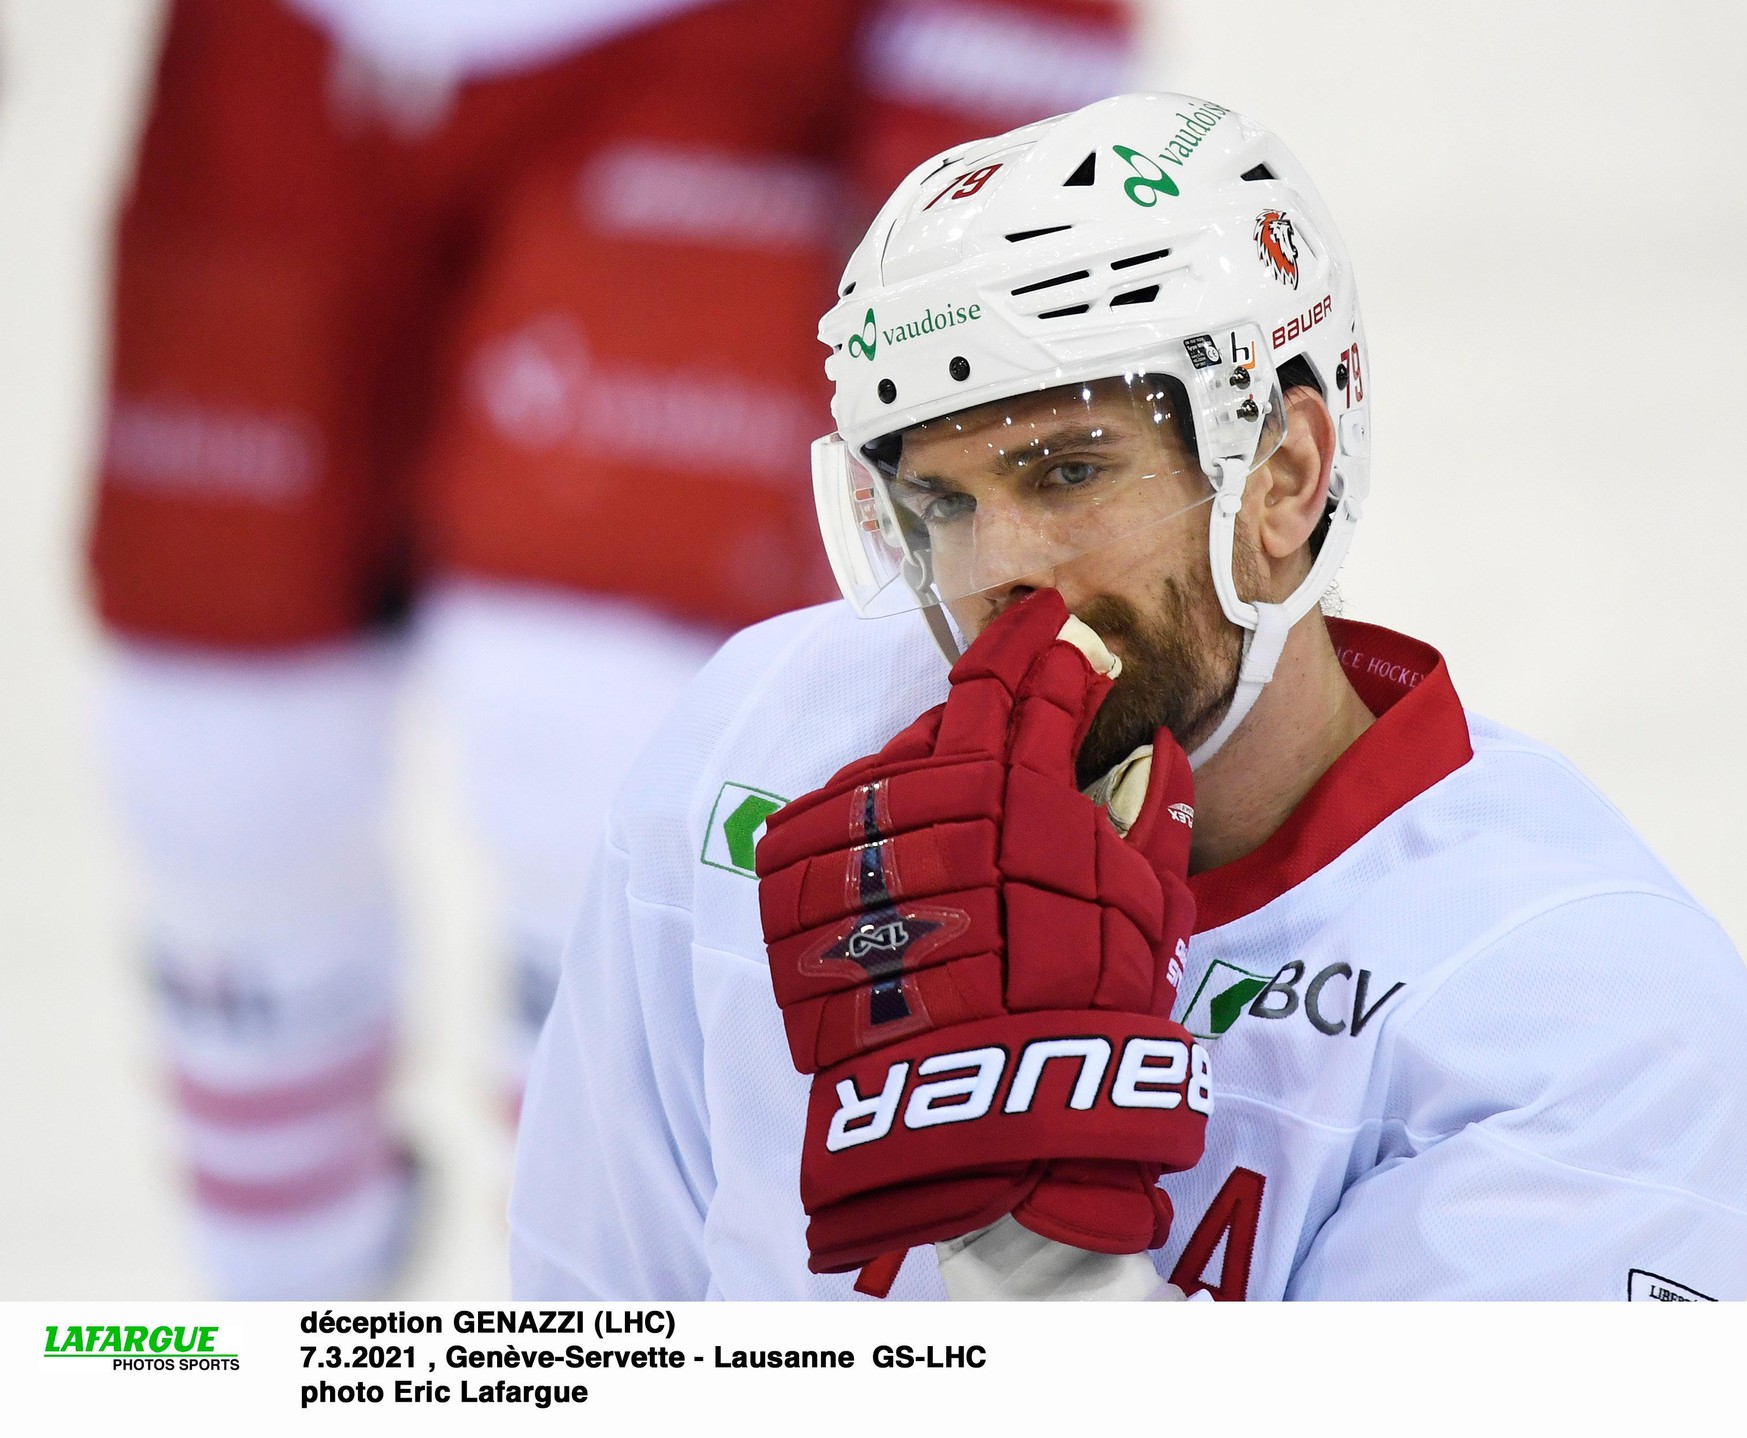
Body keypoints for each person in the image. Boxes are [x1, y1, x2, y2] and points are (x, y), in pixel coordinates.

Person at [507, 92, 1747, 1301]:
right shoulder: (758, 748)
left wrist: (1035, 1256)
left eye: (1065, 472)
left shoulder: (1589, 1015)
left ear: (1283, 476)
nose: (993, 567)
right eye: (940, 503)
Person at [88, 0, 1135, 1298]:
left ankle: (627, 1325)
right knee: (221, 761)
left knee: (589, 735)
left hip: (703, 56)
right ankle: (277, 1324)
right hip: (278, 62)